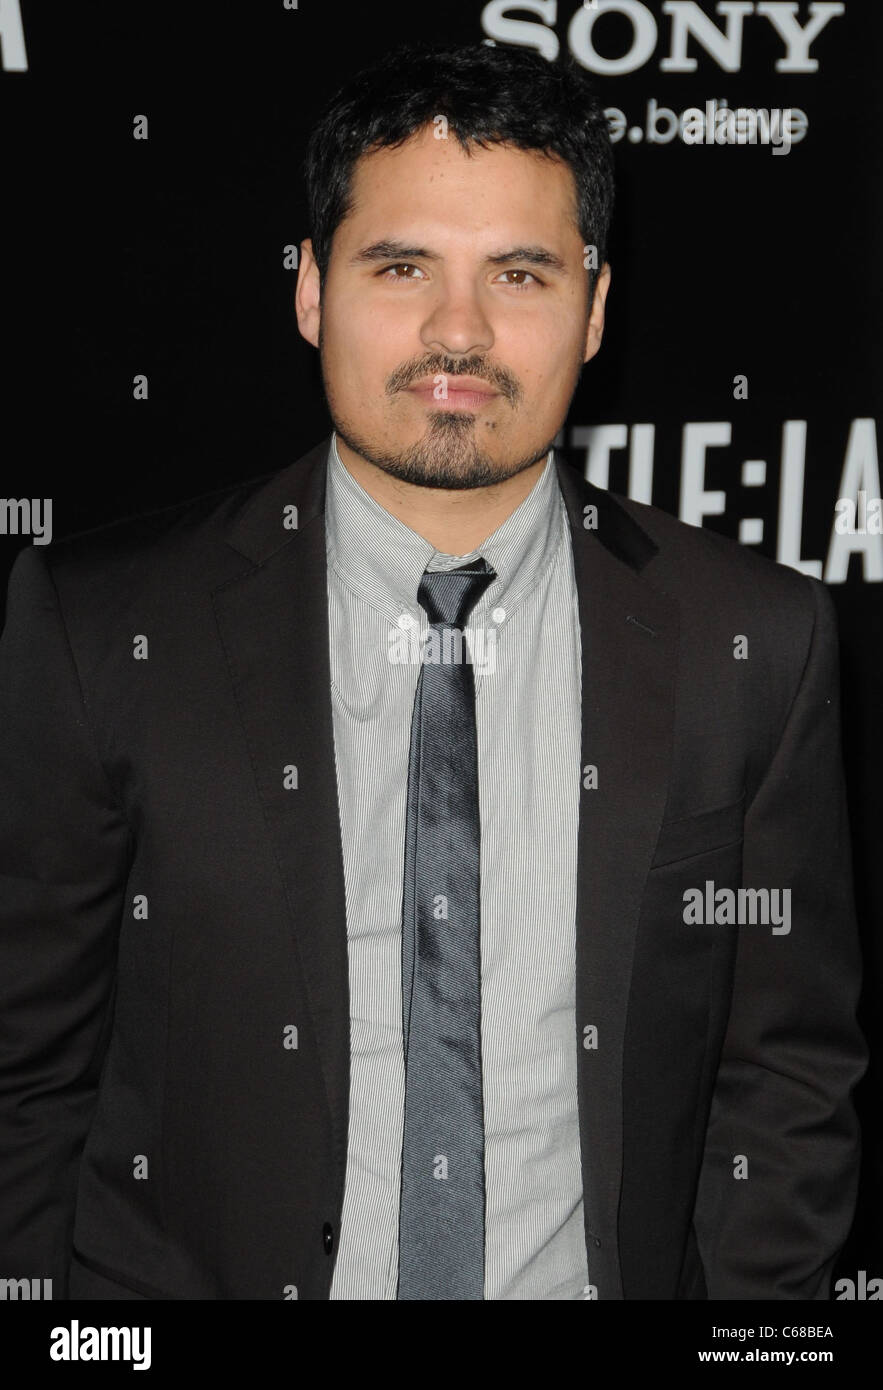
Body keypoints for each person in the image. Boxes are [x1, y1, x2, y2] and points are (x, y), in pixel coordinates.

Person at [0, 40, 867, 1301]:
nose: (457, 330)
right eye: (402, 266)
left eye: (519, 273)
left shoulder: (755, 641)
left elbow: (784, 1080)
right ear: (309, 290)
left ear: (596, 306)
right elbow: (26, 1072)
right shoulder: (102, 625)